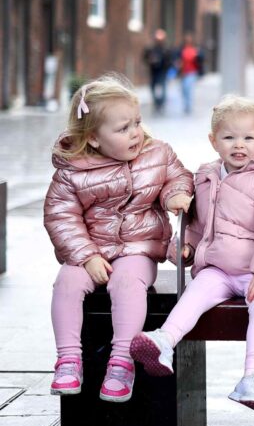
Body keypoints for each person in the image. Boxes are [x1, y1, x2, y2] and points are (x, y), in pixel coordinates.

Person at [130, 95, 254, 415]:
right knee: (194, 294)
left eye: (249, 138)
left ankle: (253, 377)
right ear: (213, 141)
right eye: (229, 137)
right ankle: (164, 341)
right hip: (218, 267)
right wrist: (188, 248)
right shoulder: (206, 177)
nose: (239, 145)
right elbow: (199, 223)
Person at [44, 73, 193, 402]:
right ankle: (69, 359)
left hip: (138, 248)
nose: (135, 133)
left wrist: (174, 196)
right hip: (91, 250)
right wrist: (86, 255)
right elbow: (61, 217)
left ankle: (122, 360)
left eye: (137, 123)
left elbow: (177, 175)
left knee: (126, 284)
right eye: (123, 128)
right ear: (94, 138)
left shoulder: (157, 153)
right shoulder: (73, 171)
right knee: (67, 282)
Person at [144, 29, 173, 113]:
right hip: (153, 71)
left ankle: (161, 103)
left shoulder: (166, 49)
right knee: (153, 88)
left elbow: (170, 60)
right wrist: (150, 61)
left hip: (162, 71)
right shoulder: (150, 49)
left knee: (163, 88)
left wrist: (165, 64)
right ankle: (156, 102)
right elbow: (145, 58)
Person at [176, 32, 203, 115]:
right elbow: (178, 60)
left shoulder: (195, 50)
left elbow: (199, 60)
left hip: (192, 72)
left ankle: (189, 106)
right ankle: (186, 104)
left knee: (189, 88)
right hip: (183, 73)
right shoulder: (181, 50)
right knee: (184, 89)